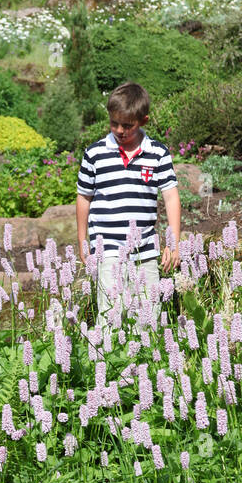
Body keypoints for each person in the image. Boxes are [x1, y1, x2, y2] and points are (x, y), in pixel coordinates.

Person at [76, 81, 181, 327]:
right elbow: (84, 197)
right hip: (108, 246)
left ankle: (148, 361)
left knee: (148, 316)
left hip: (145, 248)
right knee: (112, 314)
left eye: (128, 125)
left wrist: (173, 243)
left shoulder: (157, 153)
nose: (120, 130)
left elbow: (171, 196)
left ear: (143, 121)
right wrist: (83, 240)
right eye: (114, 123)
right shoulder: (95, 153)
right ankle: (107, 360)